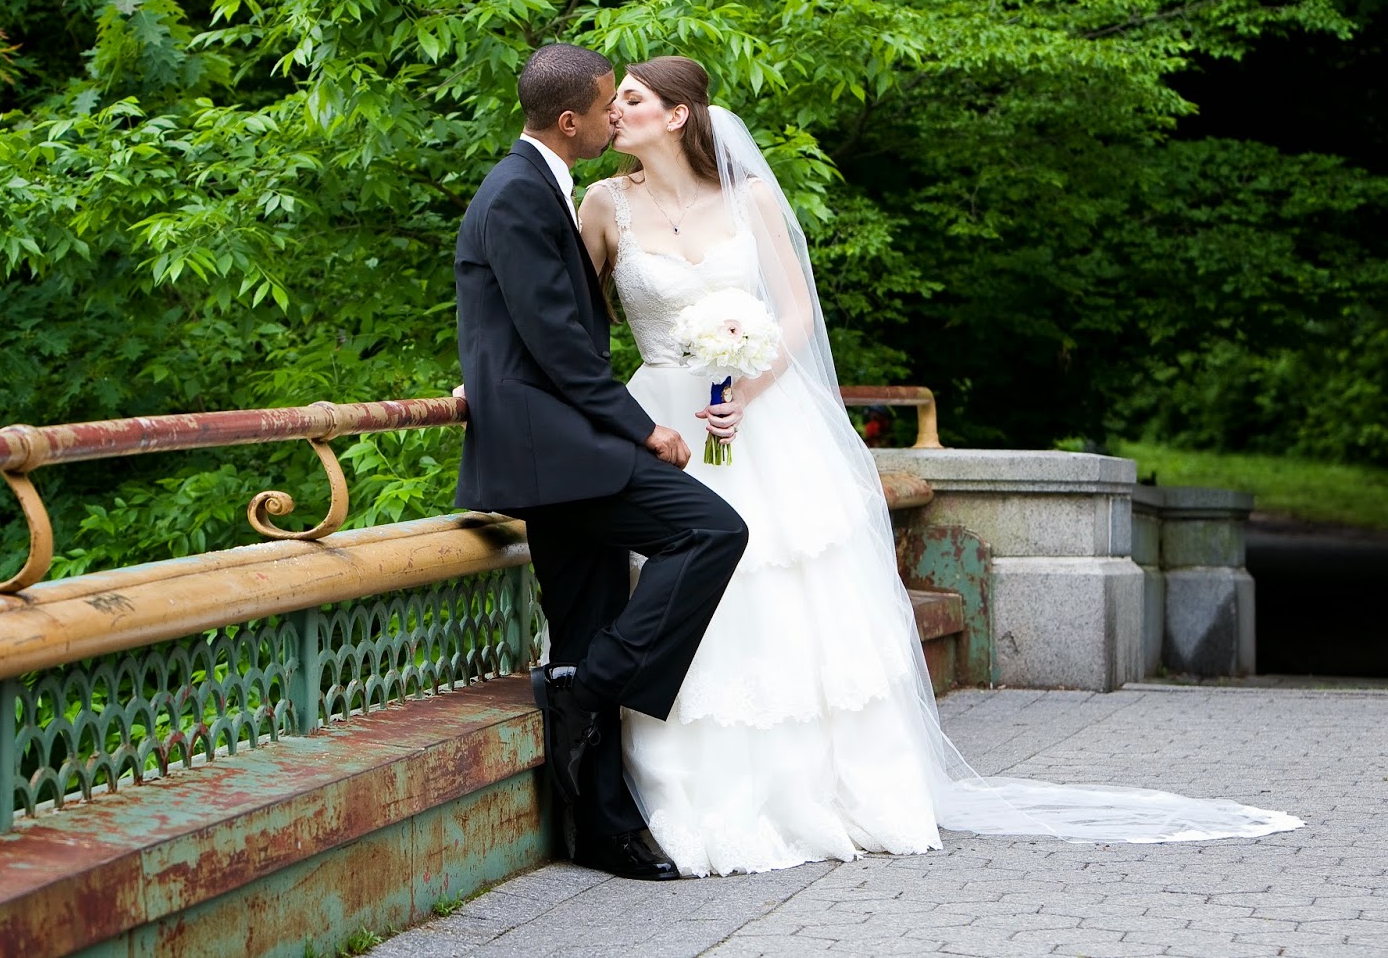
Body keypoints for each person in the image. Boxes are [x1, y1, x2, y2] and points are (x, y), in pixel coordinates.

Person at [575, 55, 1303, 877]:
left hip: (758, 418)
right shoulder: (603, 206)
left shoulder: (749, 198)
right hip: (663, 422)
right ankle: (682, 786)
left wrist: (748, 385)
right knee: (685, 580)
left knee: (783, 593)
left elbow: (794, 311)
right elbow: (562, 313)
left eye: (630, 100)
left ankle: (808, 787)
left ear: (677, 115)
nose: (613, 112)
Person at [453, 43, 749, 881]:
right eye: (604, 102)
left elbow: (521, 319)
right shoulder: (517, 193)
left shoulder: (537, 186)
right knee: (709, 529)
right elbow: (554, 338)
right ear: (572, 120)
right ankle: (589, 683)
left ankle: (601, 831)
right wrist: (642, 428)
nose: (616, 113)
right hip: (559, 449)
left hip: (559, 444)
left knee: (583, 622)